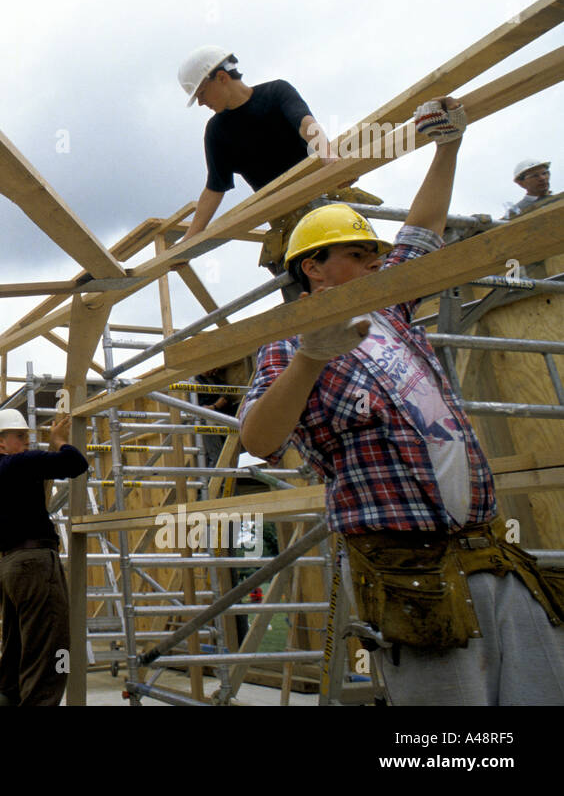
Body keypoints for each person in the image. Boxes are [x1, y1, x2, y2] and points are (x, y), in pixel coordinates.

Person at [238, 97, 564, 705]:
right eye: (359, 255)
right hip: (405, 564)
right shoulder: (287, 347)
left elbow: (421, 236)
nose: (377, 262)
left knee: (538, 689)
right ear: (314, 267)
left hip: (483, 544)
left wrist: (447, 148)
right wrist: (314, 355)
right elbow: (258, 439)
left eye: (375, 254)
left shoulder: (390, 308)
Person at [175, 46, 381, 297]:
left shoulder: (275, 92)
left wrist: (330, 160)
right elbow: (214, 187)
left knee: (363, 269)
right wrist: (188, 244)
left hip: (326, 200)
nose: (201, 102)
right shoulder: (217, 131)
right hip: (285, 221)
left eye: (202, 93)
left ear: (221, 77)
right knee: (303, 294)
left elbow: (306, 124)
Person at [0, 409, 88, 706]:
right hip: (35, 564)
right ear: (1, 442)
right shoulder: (18, 464)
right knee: (52, 654)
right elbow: (76, 463)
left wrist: (6, 541)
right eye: (19, 436)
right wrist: (59, 441)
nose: (26, 442)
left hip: (9, 567)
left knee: (16, 652)